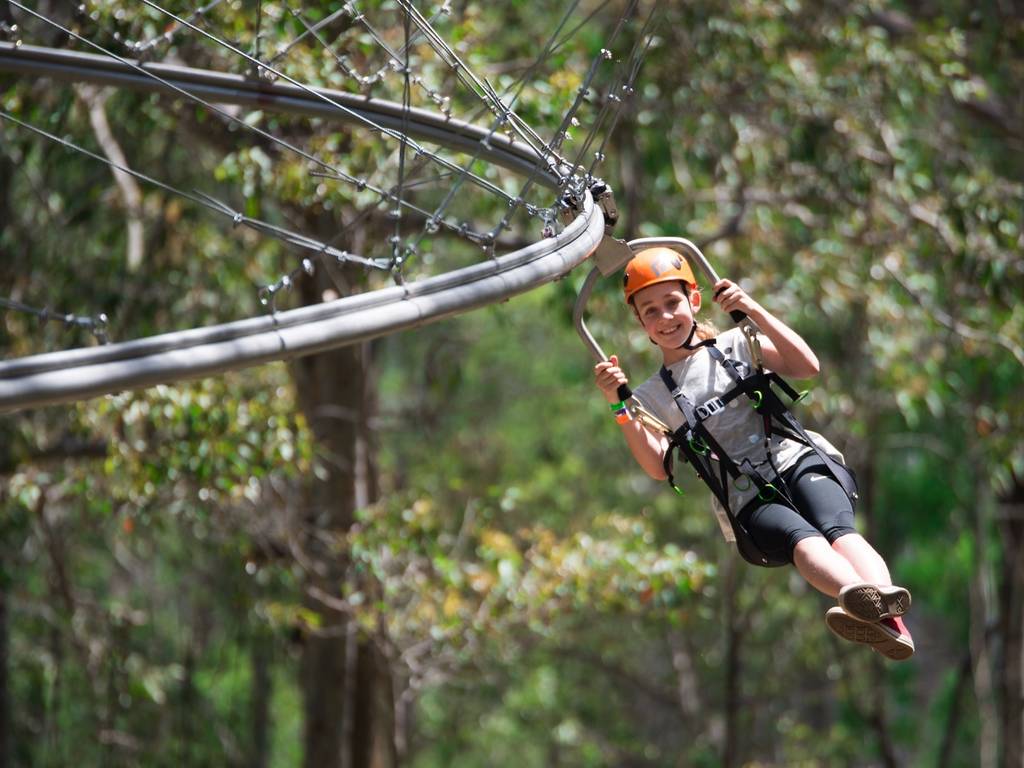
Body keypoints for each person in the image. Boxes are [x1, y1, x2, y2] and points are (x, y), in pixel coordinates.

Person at [593, 246, 914, 660]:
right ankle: (862, 601)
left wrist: (753, 310)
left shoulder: (739, 343)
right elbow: (657, 467)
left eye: (672, 303)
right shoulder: (651, 397)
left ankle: (885, 611)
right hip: (746, 492)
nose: (665, 318)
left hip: (794, 456)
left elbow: (806, 366)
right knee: (802, 541)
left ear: (693, 299)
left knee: (839, 530)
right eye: (650, 311)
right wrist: (619, 405)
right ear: (640, 322)